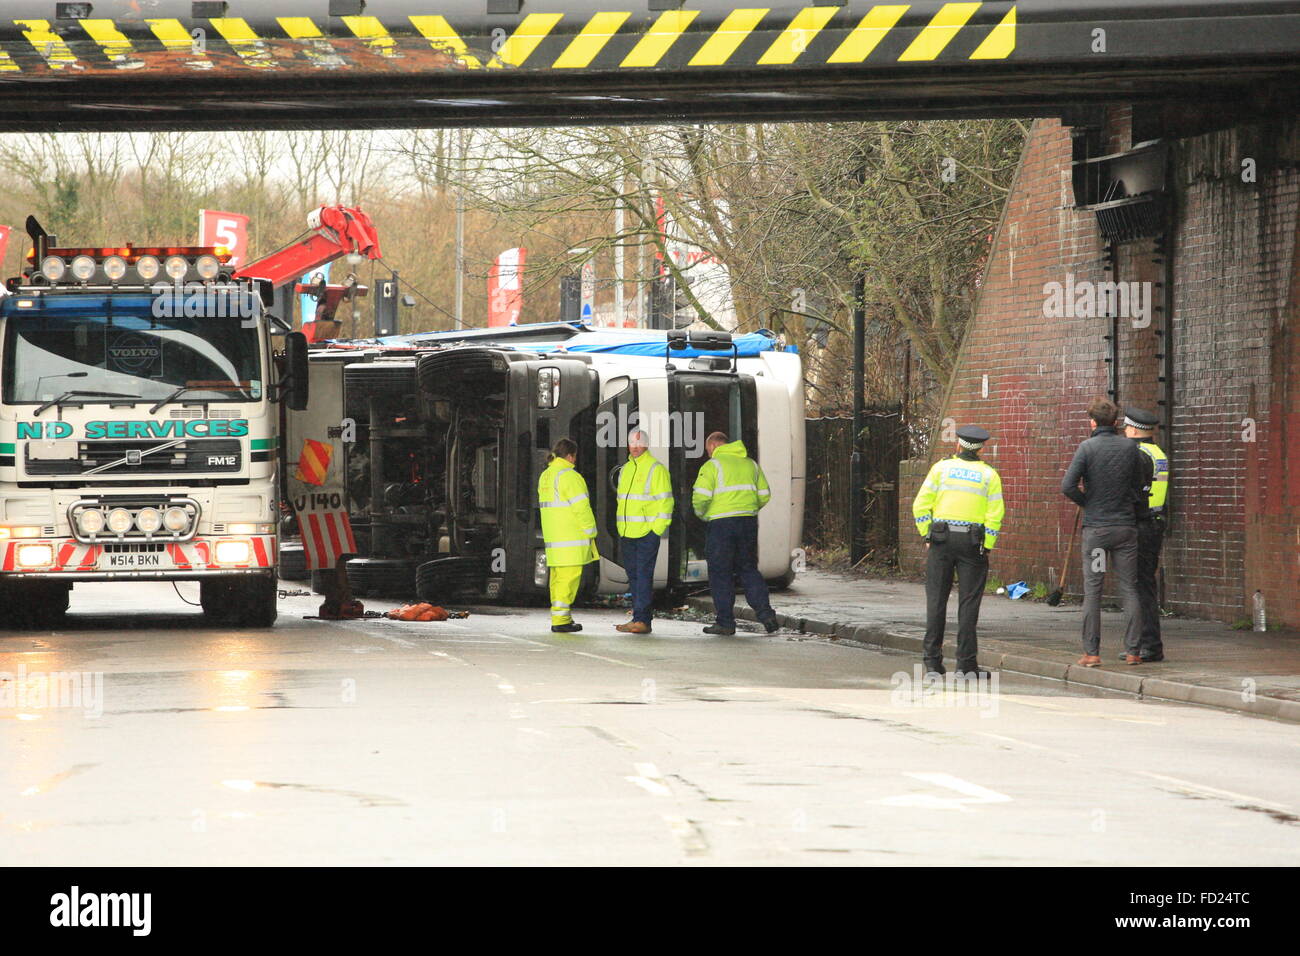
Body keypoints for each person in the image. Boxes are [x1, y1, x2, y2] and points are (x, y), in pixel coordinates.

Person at [911, 425, 1004, 677]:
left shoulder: (941, 469)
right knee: (968, 604)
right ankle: (966, 665)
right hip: (973, 544)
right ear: (981, 448)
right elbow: (995, 514)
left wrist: (926, 535)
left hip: (941, 540)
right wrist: (988, 545)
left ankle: (932, 662)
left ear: (958, 446)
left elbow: (920, 505)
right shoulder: (989, 475)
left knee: (936, 601)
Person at [1060, 398, 1146, 667]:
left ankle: (1092, 653)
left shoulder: (1087, 447)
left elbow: (1068, 486)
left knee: (1094, 589)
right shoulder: (1131, 449)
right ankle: (1133, 651)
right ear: (1116, 422)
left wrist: (1088, 503)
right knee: (1129, 588)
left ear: (1093, 422)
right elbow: (1142, 483)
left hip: (1097, 533)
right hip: (1125, 531)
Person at [692, 431, 779, 636]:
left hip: (721, 525)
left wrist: (703, 515)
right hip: (747, 522)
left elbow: (700, 498)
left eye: (707, 450)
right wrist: (749, 509)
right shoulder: (751, 464)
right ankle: (766, 614)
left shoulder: (712, 466)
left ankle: (725, 622)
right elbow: (765, 495)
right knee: (748, 568)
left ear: (712, 446)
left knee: (720, 573)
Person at [1120, 406, 1169, 662]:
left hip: (1142, 525)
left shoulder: (1138, 455)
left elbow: (1135, 492)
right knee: (1144, 584)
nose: (1125, 431)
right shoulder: (1157, 452)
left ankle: (1147, 645)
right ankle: (1146, 644)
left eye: (1127, 427)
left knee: (1140, 587)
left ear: (1135, 429)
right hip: (1155, 522)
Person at [615, 429, 673, 634]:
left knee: (643, 575)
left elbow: (666, 502)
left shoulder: (656, 469)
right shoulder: (626, 469)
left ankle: (642, 620)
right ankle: (640, 619)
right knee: (634, 576)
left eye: (639, 443)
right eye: (631, 443)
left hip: (646, 533)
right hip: (627, 532)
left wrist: (655, 530)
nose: (635, 446)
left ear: (646, 445)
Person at [537, 437, 598, 634]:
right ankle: (561, 621)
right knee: (568, 580)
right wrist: (591, 530)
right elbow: (581, 507)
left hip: (554, 539)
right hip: (571, 538)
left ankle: (560, 616)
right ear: (571, 456)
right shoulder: (570, 476)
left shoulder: (546, 476)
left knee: (557, 580)